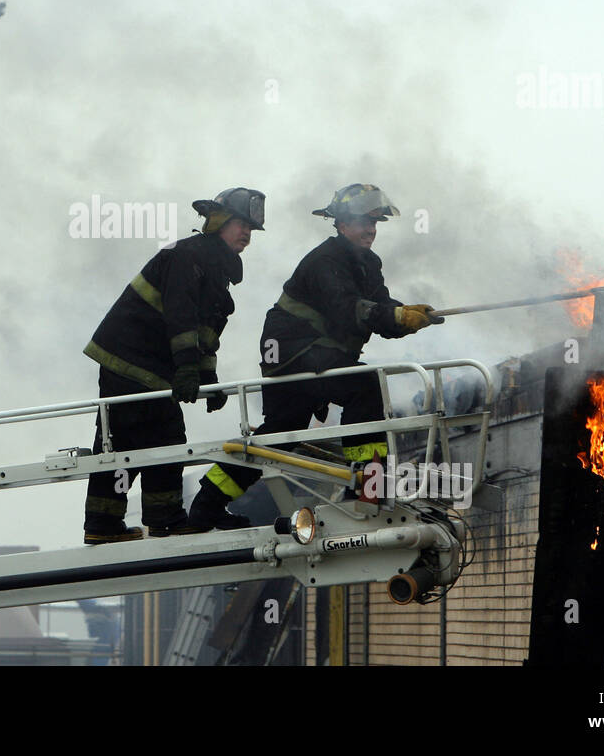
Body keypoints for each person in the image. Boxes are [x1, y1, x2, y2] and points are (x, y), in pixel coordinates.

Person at [186, 183, 443, 530]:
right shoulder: (327, 260)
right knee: (363, 384)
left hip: (311, 354)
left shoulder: (367, 262)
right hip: (296, 350)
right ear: (341, 222)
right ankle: (369, 489)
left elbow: (379, 309)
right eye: (364, 222)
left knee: (279, 433)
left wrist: (408, 315)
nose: (371, 229)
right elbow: (347, 310)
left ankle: (206, 505)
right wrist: (395, 316)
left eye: (376, 223)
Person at [82, 188, 266, 544]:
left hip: (144, 366)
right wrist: (185, 368)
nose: (246, 233)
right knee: (158, 439)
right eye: (241, 224)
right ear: (219, 221)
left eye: (251, 229)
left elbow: (206, 333)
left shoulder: (213, 269)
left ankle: (108, 525)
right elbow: (180, 319)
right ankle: (160, 520)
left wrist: (207, 373)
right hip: (131, 362)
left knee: (126, 443)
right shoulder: (188, 257)